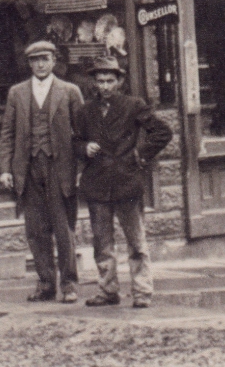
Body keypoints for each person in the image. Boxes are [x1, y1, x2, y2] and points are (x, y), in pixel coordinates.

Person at [71, 55, 172, 309]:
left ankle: (142, 292)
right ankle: (107, 290)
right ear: (93, 82)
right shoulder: (85, 112)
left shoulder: (133, 106)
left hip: (126, 182)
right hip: (97, 183)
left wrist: (141, 154)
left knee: (136, 242)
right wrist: (84, 147)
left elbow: (162, 132)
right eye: (100, 81)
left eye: (109, 81)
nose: (104, 86)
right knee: (102, 243)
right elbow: (73, 142)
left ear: (119, 81)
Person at [0, 40, 85, 304]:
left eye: (45, 58)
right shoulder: (17, 93)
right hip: (28, 167)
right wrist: (5, 168)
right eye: (35, 60)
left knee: (63, 227)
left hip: (61, 168)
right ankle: (46, 283)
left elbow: (82, 133)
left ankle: (69, 285)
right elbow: (8, 133)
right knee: (35, 229)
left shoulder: (69, 91)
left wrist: (80, 169)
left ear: (54, 61)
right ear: (29, 63)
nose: (40, 64)